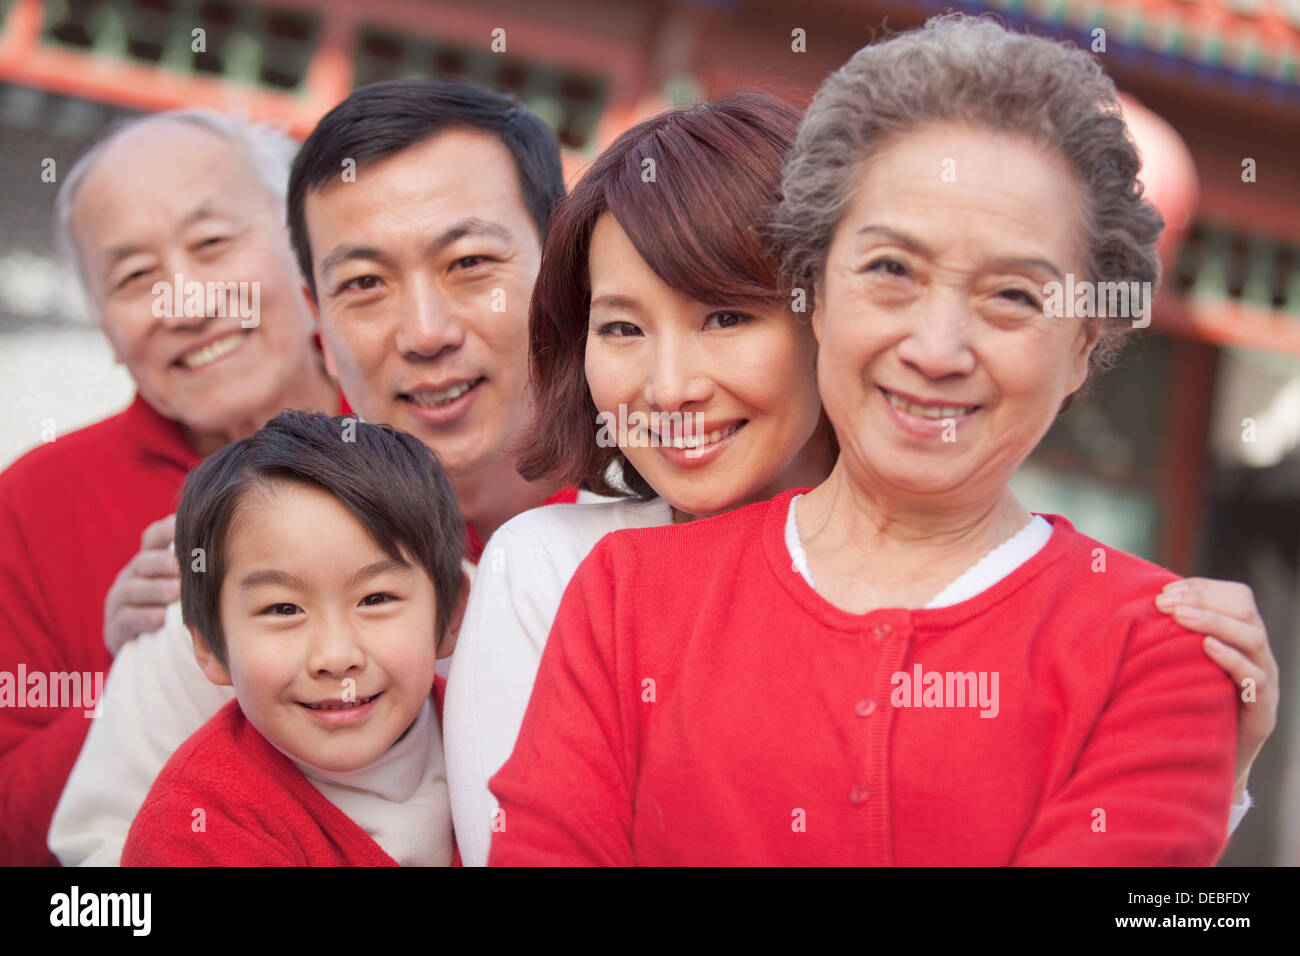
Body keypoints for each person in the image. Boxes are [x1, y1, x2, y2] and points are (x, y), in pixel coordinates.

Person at [485, 15, 1253, 865]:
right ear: (813, 288)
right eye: (892, 270)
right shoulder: (623, 600)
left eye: (1014, 297)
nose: (936, 349)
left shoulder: (1159, 656)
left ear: (1082, 349)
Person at [49, 80, 583, 865]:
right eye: (364, 283)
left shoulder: (679, 510)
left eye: (471, 263)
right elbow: (96, 859)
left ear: (562, 272)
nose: (425, 332)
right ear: (317, 324)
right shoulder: (247, 571)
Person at [1, 110, 343, 865]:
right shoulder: (35, 501)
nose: (185, 304)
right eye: (133, 278)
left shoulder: (416, 423)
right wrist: (133, 673)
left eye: (213, 244)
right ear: (104, 326)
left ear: (301, 245)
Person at [122, 411, 465, 865]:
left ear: (451, 614)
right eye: (283, 609)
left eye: (376, 598)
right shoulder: (197, 829)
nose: (336, 656)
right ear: (207, 644)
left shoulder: (498, 735)